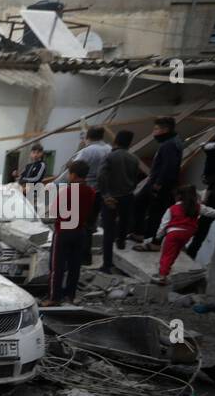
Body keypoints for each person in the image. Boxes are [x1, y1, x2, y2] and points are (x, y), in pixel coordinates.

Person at [44, 160, 95, 306]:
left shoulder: (66, 191)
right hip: (80, 232)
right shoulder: (90, 192)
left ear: (73, 175)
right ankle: (70, 296)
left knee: (56, 267)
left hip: (63, 232)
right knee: (74, 266)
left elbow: (54, 212)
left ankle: (54, 298)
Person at [152, 185, 215, 284]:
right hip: (187, 234)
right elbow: (211, 212)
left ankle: (162, 276)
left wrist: (159, 236)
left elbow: (164, 223)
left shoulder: (173, 208)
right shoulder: (198, 207)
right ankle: (165, 272)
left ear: (179, 196)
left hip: (173, 233)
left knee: (167, 254)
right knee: (175, 253)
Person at [96, 129, 142, 273]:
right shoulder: (134, 159)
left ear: (115, 141)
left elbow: (101, 176)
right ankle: (121, 242)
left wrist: (105, 195)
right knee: (123, 222)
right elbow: (136, 179)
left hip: (111, 198)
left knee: (108, 231)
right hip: (127, 196)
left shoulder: (110, 157)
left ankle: (107, 264)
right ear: (130, 143)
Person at [136, 116, 183, 240]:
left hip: (160, 183)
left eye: (156, 129)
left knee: (154, 211)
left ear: (165, 129)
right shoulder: (173, 141)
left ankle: (150, 237)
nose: (154, 132)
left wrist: (158, 183)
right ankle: (144, 234)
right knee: (144, 204)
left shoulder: (169, 145)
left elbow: (168, 166)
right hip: (160, 181)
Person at [188, 125, 215, 259]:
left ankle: (192, 251)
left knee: (204, 223)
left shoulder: (213, 147)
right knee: (206, 222)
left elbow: (207, 147)